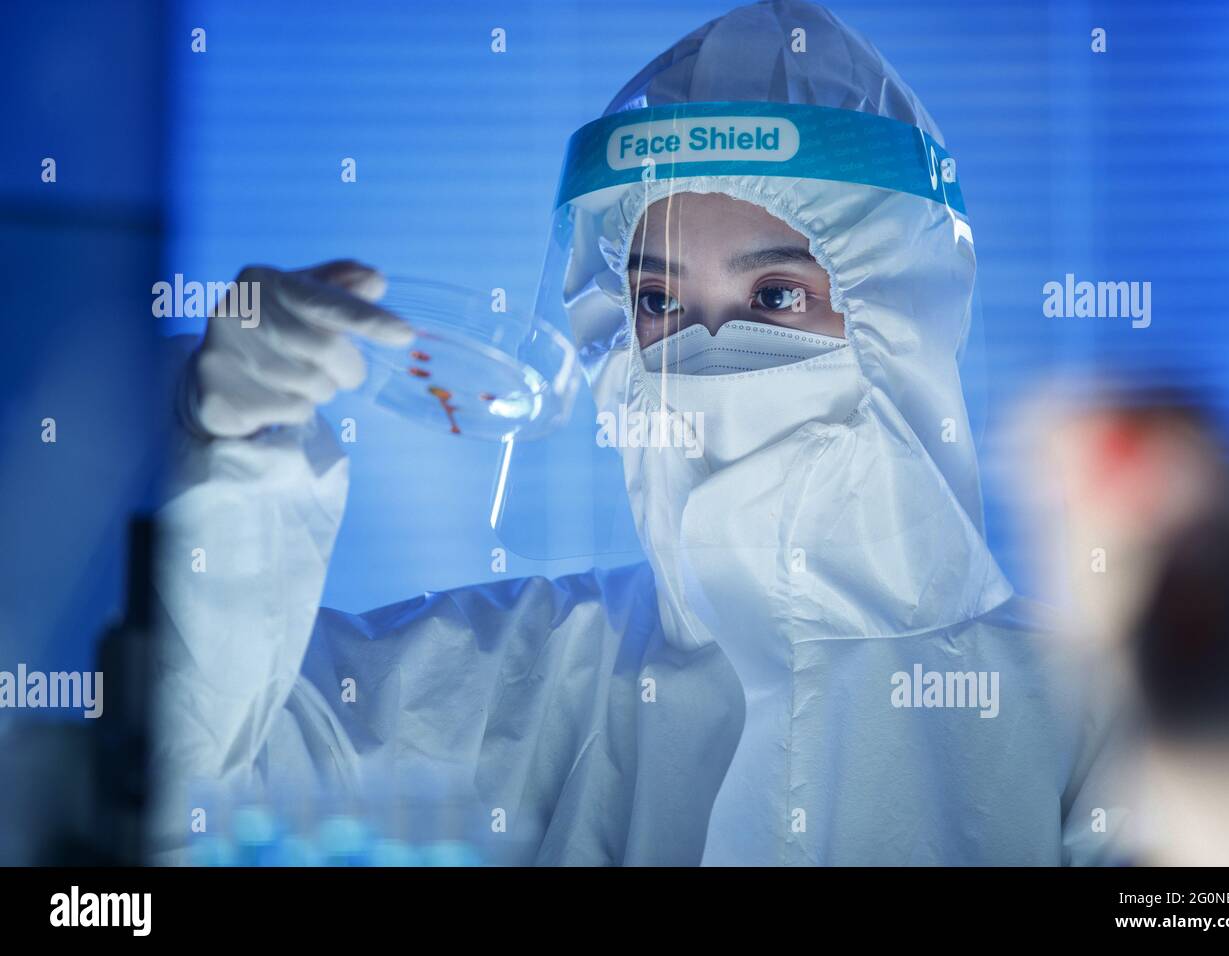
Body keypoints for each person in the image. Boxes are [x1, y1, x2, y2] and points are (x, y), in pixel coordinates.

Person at [152, 0, 1124, 865]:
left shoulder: (1095, 718)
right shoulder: (533, 675)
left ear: (903, 318)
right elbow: (185, 794)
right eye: (656, 298)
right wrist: (242, 459)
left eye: (773, 295)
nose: (699, 351)